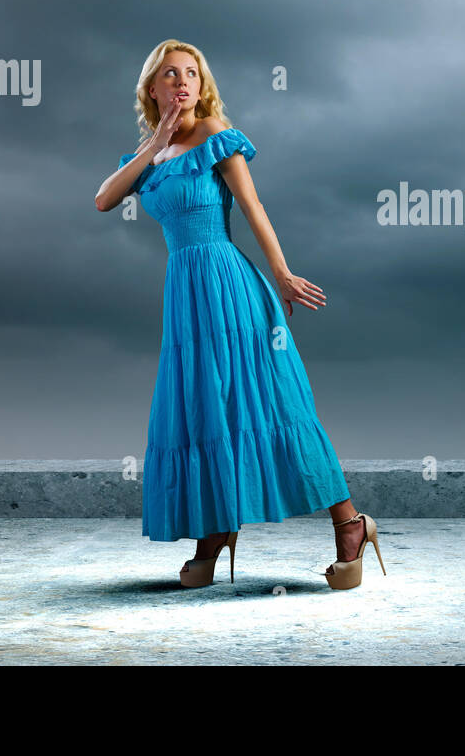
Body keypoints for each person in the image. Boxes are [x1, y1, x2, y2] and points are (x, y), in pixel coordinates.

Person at [95, 38, 387, 590]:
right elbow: (104, 199)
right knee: (204, 408)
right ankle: (215, 532)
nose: (183, 83)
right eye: (171, 75)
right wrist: (155, 140)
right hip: (185, 297)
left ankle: (350, 525)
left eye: (192, 74)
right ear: (151, 89)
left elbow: (253, 208)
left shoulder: (215, 137)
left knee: (275, 403)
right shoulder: (150, 158)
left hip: (229, 287)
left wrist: (281, 276)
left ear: (201, 87)